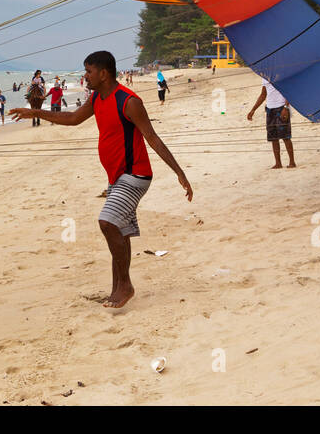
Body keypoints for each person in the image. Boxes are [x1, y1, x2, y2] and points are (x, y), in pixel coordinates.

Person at [11, 50, 192, 309]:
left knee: (107, 223)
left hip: (136, 175)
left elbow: (151, 137)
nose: (85, 77)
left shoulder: (129, 101)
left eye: (88, 72)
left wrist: (179, 172)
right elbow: (73, 118)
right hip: (116, 177)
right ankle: (117, 288)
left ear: (103, 73)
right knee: (120, 230)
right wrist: (36, 113)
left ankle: (126, 285)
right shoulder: (97, 98)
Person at [248, 76, 296, 168]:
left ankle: (292, 162)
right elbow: (263, 95)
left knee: (286, 137)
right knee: (273, 138)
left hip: (281, 108)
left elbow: (288, 92)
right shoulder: (264, 78)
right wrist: (253, 109)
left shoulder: (279, 75)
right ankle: (278, 163)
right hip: (270, 109)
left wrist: (286, 107)